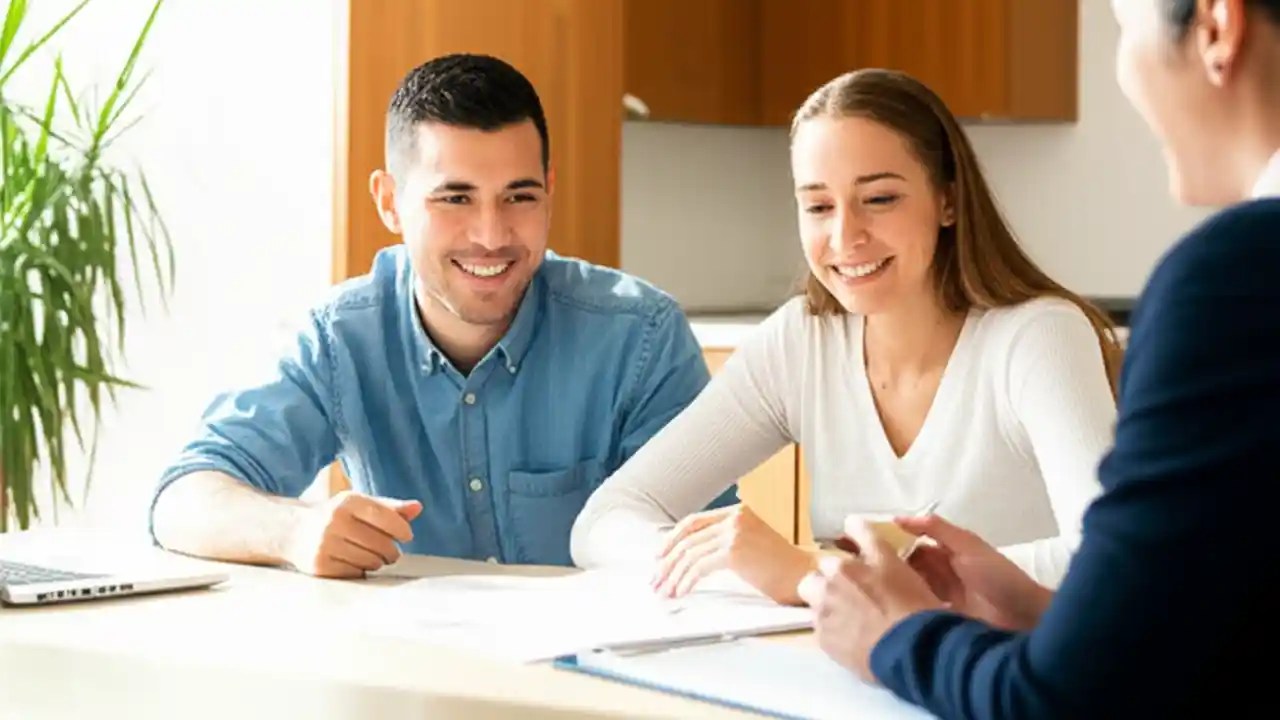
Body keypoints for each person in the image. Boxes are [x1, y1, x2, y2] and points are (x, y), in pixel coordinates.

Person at [796, 0, 1280, 716]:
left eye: (1121, 28)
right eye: (817, 206)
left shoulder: (1238, 280)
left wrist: (897, 637)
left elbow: (1065, 702)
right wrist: (1058, 615)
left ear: (1215, 27)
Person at [150, 53, 733, 576]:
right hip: (414, 675)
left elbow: (706, 557)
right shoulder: (338, 339)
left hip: (597, 676)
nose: (491, 234)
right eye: (455, 198)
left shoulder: (642, 337)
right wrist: (293, 530)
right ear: (388, 202)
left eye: (519, 196)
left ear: (549, 192)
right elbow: (183, 499)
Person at [570, 68, 1122, 604]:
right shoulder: (801, 343)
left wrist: (818, 572)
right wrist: (742, 568)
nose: (845, 236)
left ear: (948, 200)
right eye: (818, 206)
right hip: (856, 673)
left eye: (880, 199)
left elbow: (1107, 558)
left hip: (1015, 679)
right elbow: (604, 521)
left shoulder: (1036, 338)